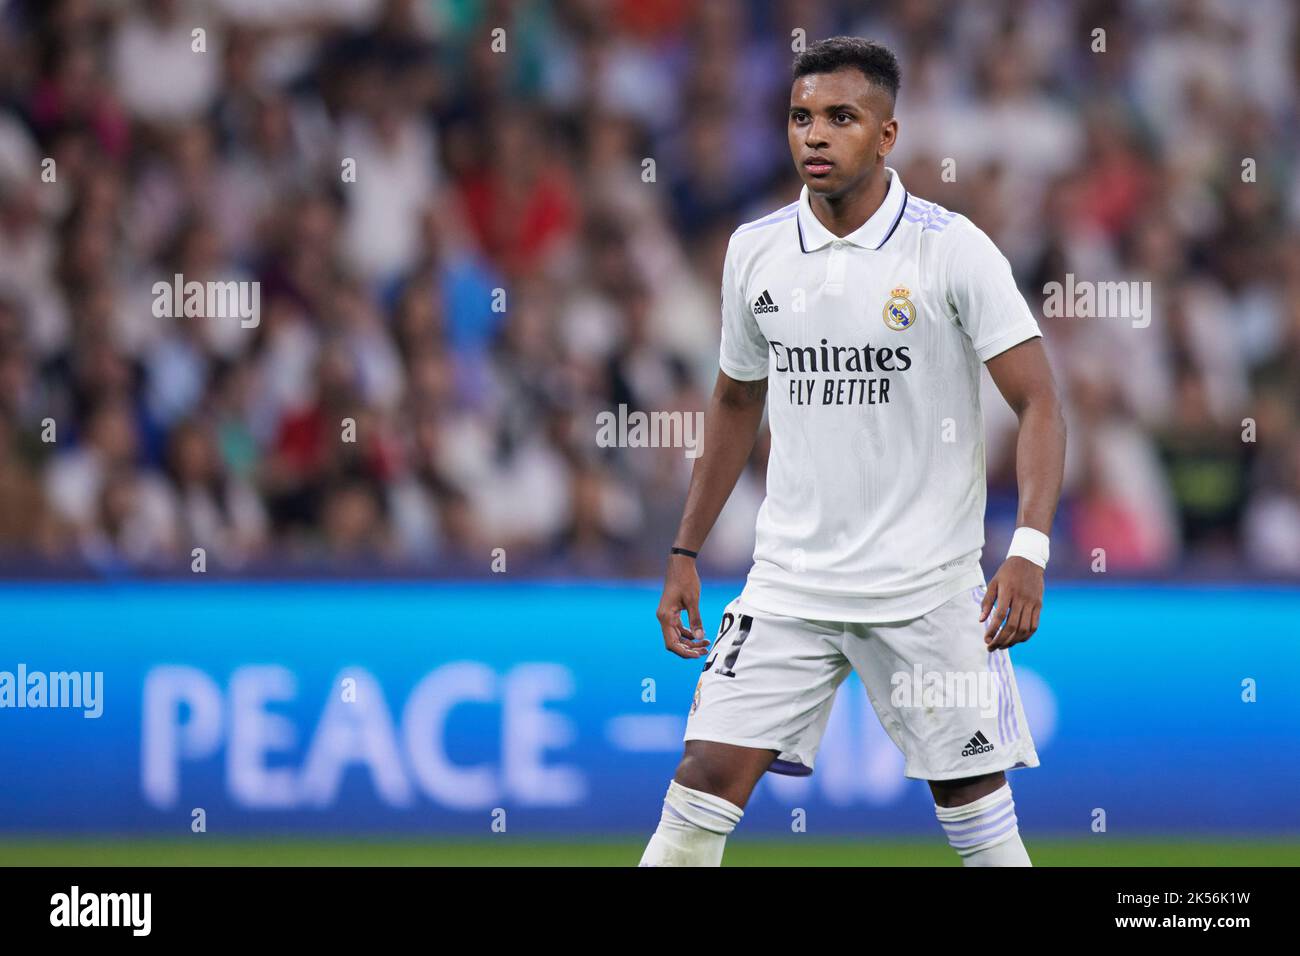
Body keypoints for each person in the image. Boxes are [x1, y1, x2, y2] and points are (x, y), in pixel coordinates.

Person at [643, 36, 1066, 867]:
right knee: (700, 783)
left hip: (927, 587)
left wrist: (1029, 551)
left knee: (975, 811)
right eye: (801, 117)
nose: (815, 135)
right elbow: (735, 399)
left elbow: (1040, 400)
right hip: (791, 580)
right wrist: (685, 547)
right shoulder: (755, 250)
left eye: (841, 117)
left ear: (887, 135)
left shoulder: (951, 249)